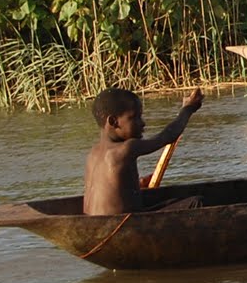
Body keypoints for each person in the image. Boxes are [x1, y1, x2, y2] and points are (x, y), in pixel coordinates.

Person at [83, 87, 204, 215]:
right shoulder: (127, 148)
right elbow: (168, 136)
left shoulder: (93, 153)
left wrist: (137, 185)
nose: (142, 123)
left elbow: (108, 189)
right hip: (123, 224)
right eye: (135, 117)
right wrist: (188, 109)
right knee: (195, 203)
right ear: (113, 121)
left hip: (93, 221)